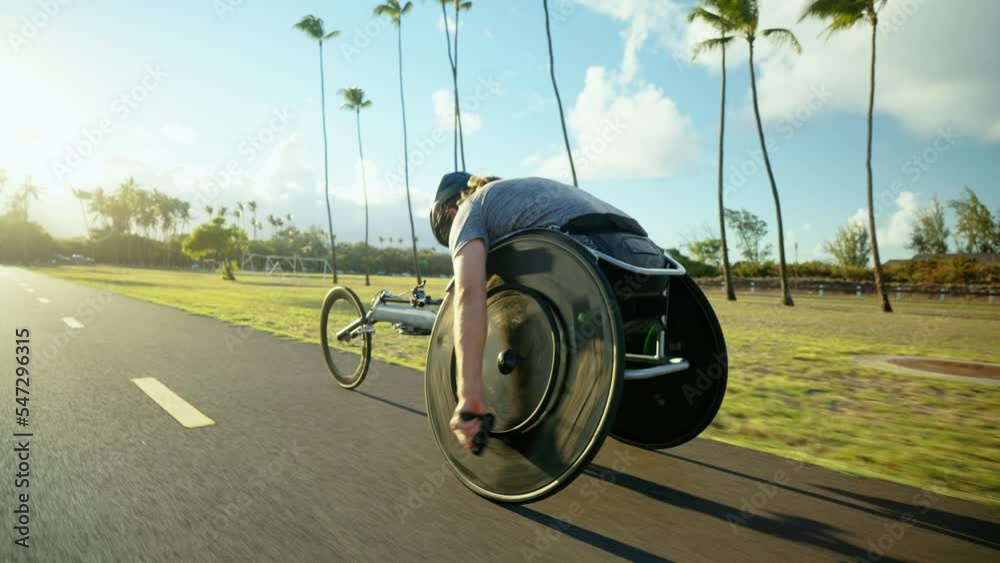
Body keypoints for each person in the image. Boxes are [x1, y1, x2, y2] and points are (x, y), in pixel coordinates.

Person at [429, 172, 666, 452]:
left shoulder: (468, 212)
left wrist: (468, 396)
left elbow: (469, 294)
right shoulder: (513, 195)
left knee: (516, 330)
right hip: (649, 261)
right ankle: (638, 334)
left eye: (449, 240)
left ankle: (533, 422)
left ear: (451, 213)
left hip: (593, 261)